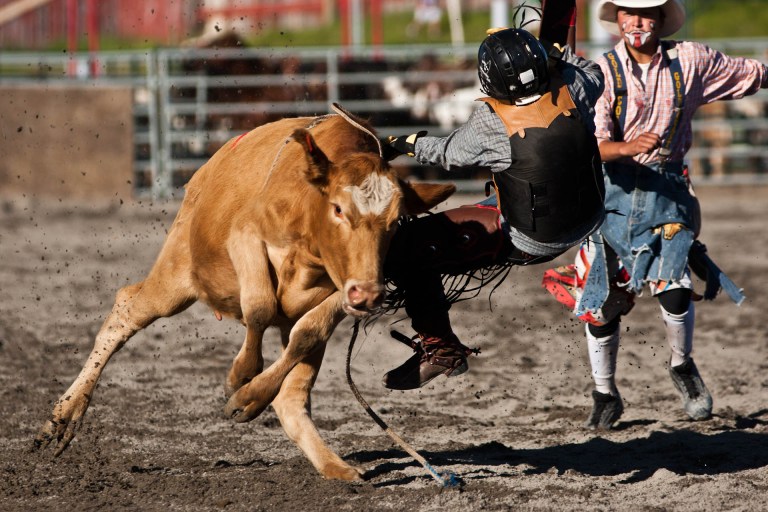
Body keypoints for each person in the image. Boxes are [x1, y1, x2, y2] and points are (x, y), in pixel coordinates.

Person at [542, 0, 768, 429]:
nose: (638, 21)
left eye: (647, 13)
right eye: (629, 12)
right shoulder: (601, 72)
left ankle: (682, 365)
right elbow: (594, 145)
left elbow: (751, 72)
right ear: (619, 19)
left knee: (675, 286)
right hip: (611, 194)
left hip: (667, 191)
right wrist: (627, 148)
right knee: (601, 302)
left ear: (662, 20)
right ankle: (605, 392)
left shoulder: (692, 61)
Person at [379, 3, 606, 391]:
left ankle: (440, 349)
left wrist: (402, 143)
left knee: (406, 248)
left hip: (528, 237)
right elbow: (593, 71)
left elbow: (448, 152)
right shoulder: (577, 86)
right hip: (587, 219)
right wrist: (554, 55)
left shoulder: (492, 122)